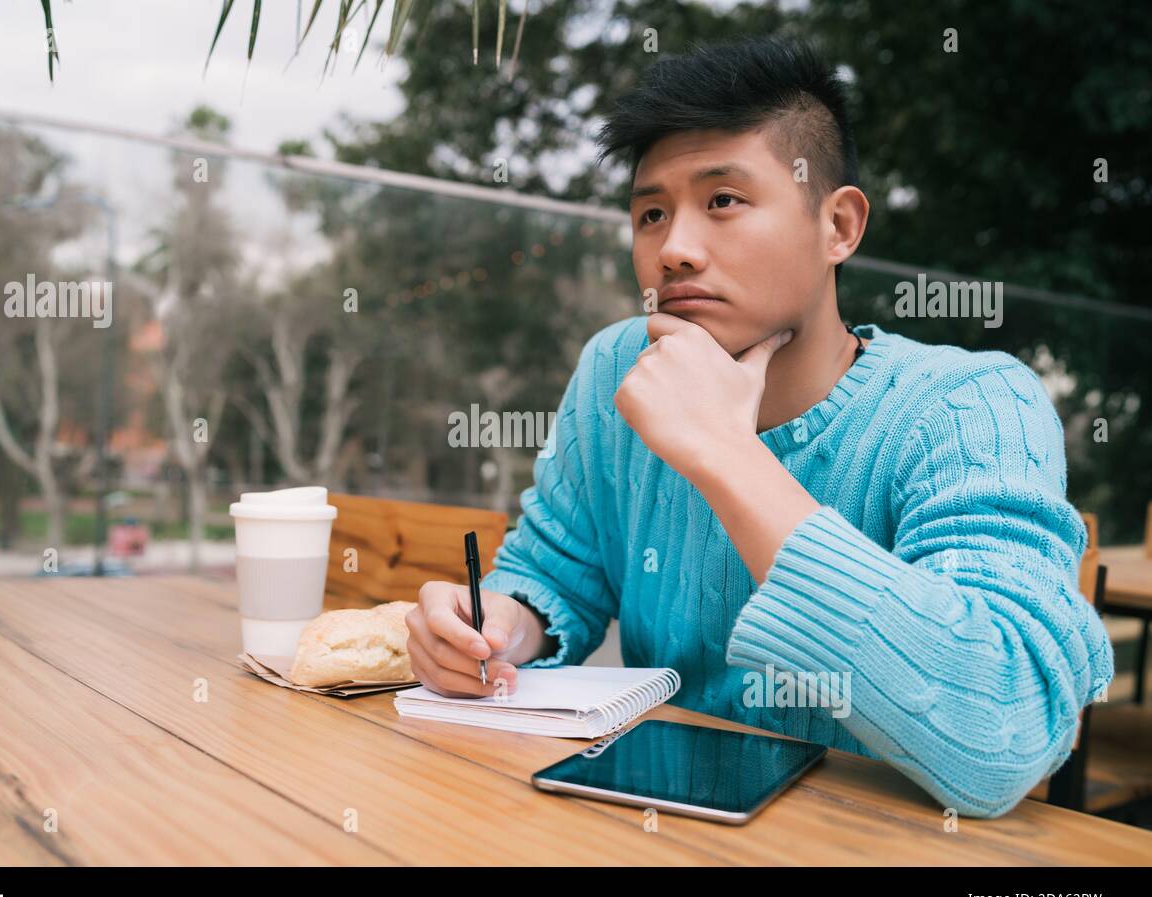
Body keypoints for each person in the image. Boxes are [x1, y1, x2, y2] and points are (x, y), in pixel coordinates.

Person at [404, 36, 1112, 818]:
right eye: (650, 213)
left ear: (838, 226)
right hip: (653, 824)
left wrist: (725, 454)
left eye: (723, 201)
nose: (673, 249)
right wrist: (501, 624)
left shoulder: (969, 406)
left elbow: (1003, 728)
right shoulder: (617, 369)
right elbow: (553, 568)